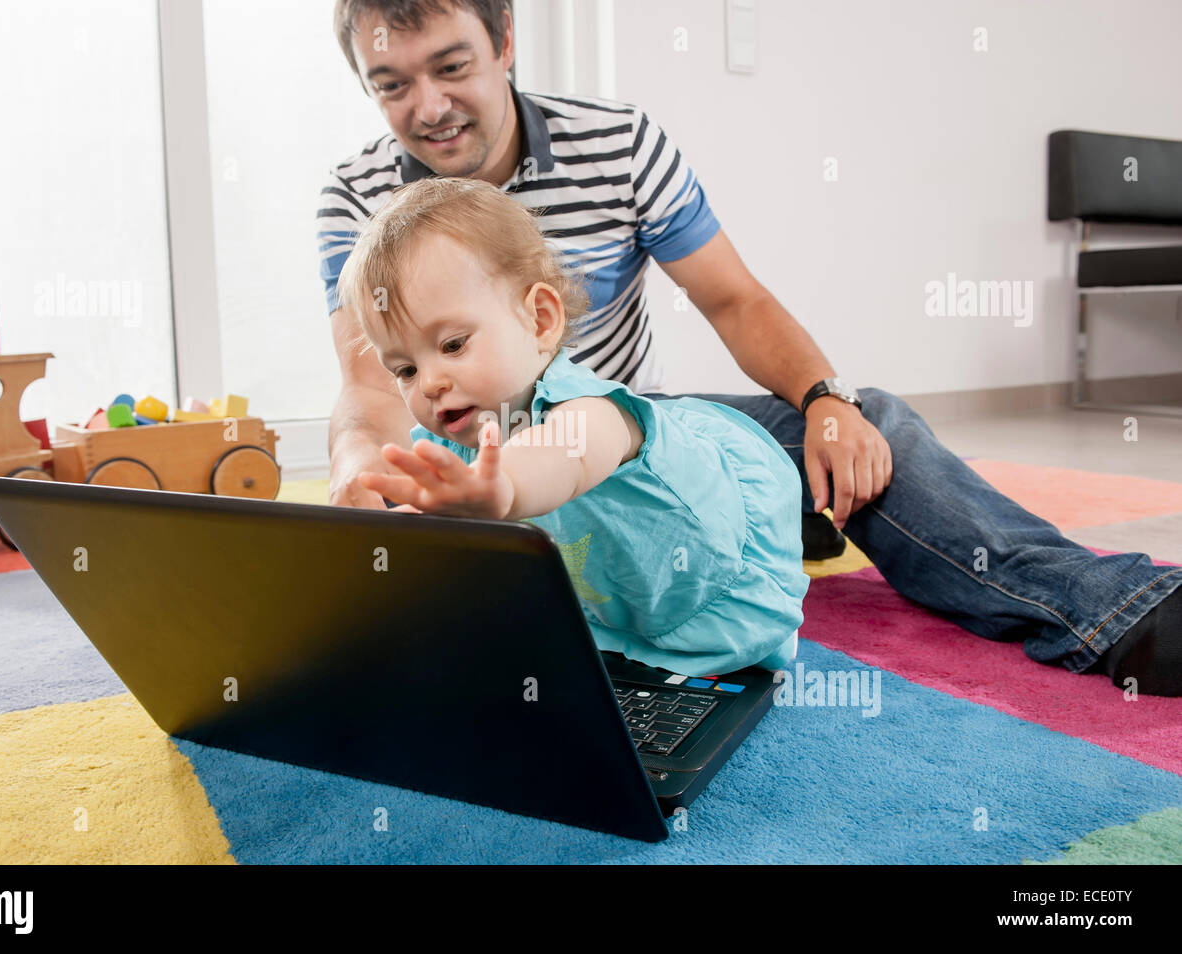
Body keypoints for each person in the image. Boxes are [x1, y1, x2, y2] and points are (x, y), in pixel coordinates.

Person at [319, 0, 1182, 694]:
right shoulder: (354, 199)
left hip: (633, 435)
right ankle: (776, 519)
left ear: (505, 40)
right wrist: (363, 480)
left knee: (864, 425)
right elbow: (368, 386)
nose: (426, 107)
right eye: (390, 83)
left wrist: (825, 402)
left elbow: (733, 300)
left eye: (452, 66)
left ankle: (1117, 609)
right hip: (479, 456)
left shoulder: (620, 141)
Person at [337, 175, 810, 676]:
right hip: (615, 606)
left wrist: (502, 490)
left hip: (710, 586)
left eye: (453, 345)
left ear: (541, 321)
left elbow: (558, 457)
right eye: (405, 370)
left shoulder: (586, 411)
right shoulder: (453, 449)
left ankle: (814, 523)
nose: (429, 382)